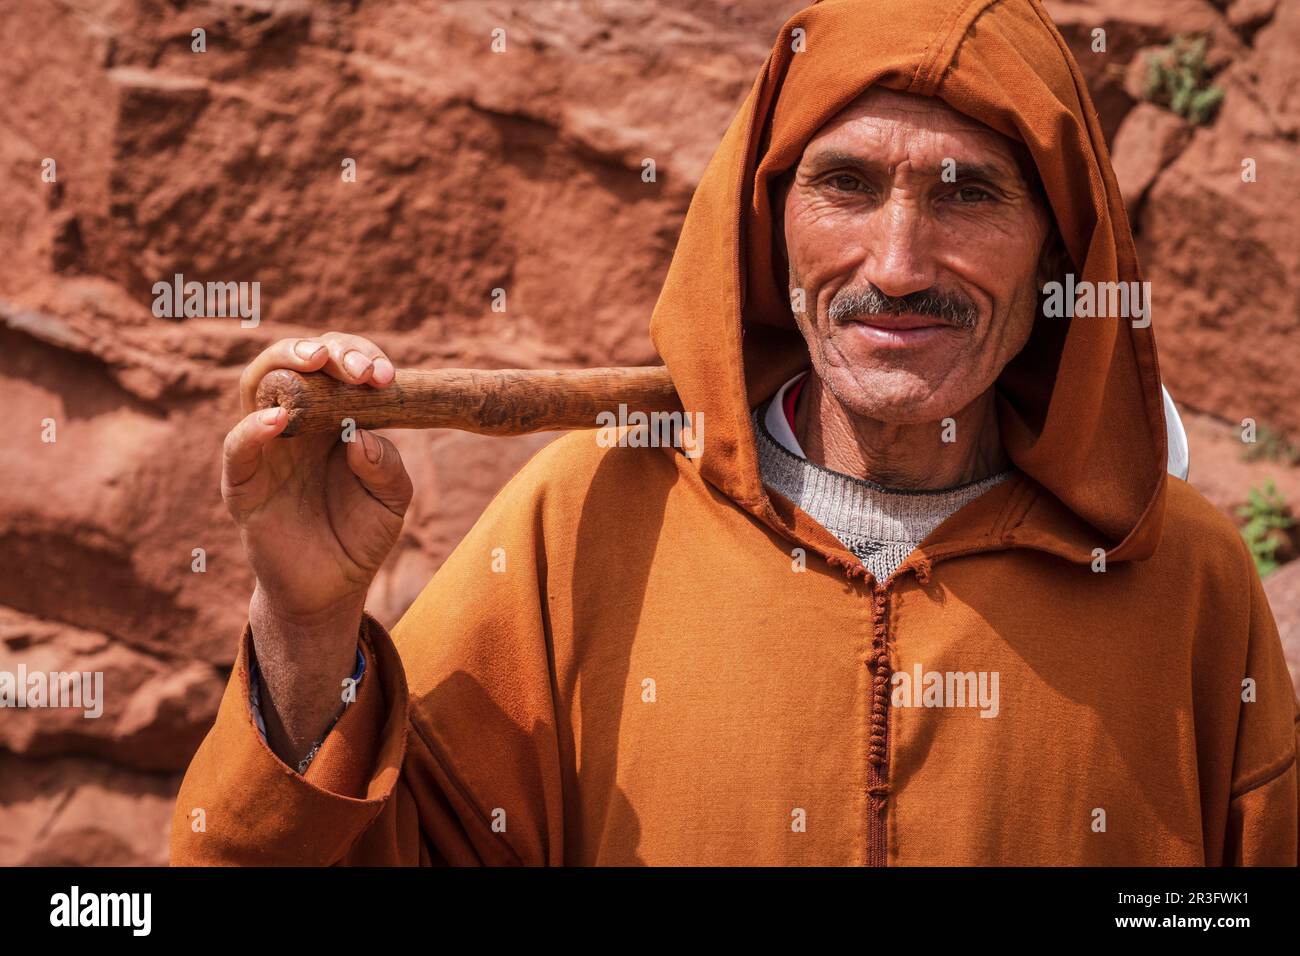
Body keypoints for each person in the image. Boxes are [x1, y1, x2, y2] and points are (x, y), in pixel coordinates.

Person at [171, 0, 1298, 865]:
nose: (897, 266)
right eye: (845, 186)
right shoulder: (585, 521)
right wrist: (309, 626)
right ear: (768, 233)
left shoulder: (1183, 581)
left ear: (1059, 255)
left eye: (966, 194)